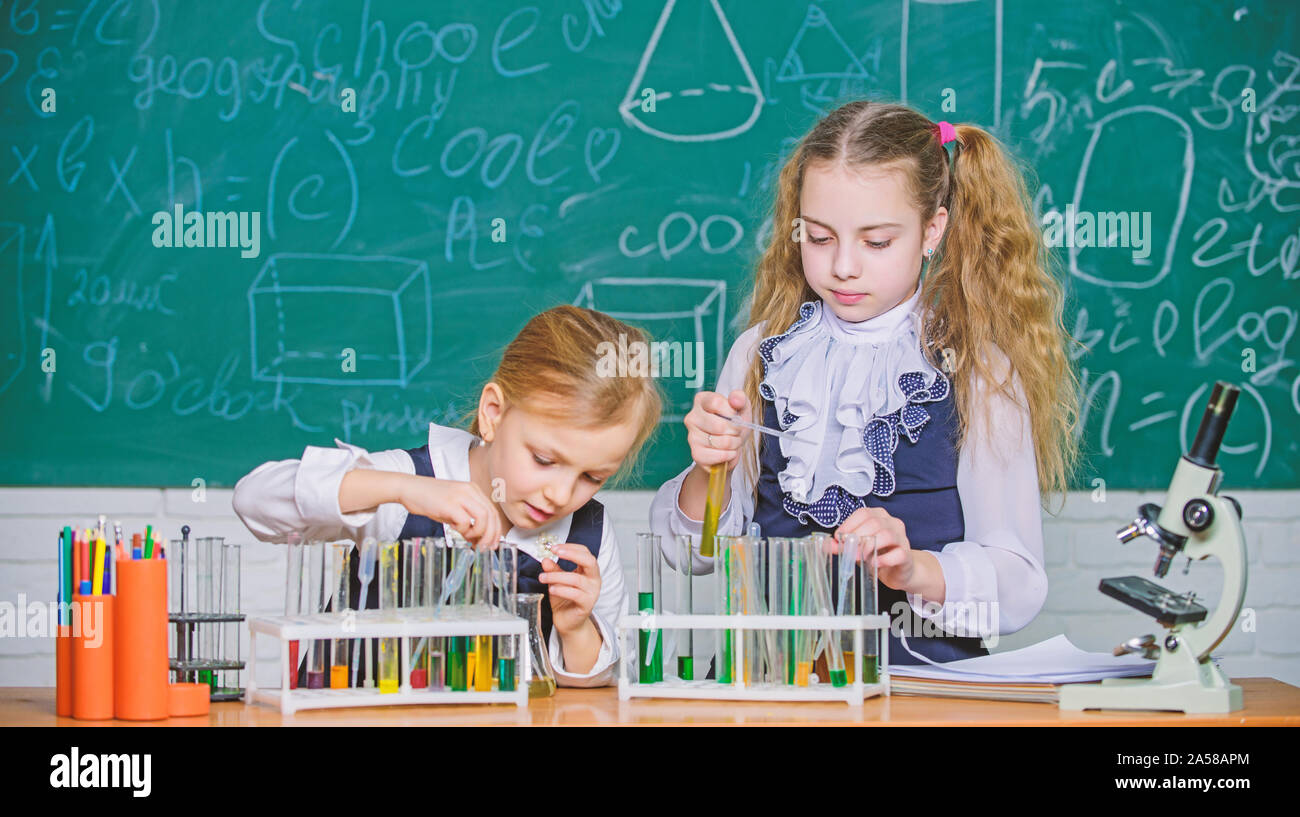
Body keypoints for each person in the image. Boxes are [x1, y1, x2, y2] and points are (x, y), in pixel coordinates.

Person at [649, 101, 1081, 664]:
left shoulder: (979, 371)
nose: (843, 266)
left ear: (933, 230)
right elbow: (693, 556)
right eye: (820, 238)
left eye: (877, 242)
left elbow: (1018, 584)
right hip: (772, 686)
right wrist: (710, 472)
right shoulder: (762, 353)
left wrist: (913, 568)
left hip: (919, 693)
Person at [235, 305, 663, 685]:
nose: (561, 494)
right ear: (494, 414)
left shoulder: (586, 534)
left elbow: (594, 683)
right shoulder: (409, 483)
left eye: (592, 476)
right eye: (544, 459)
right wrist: (403, 490)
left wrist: (576, 628)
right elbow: (253, 501)